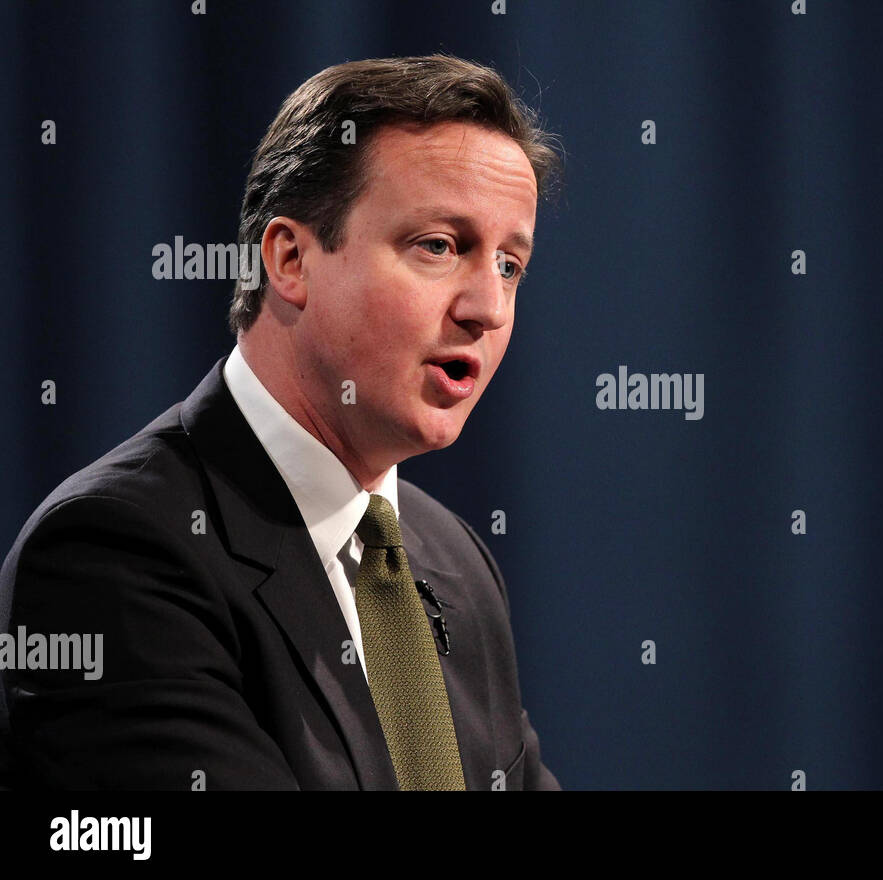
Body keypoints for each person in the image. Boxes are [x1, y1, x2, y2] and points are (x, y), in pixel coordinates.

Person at [0, 55, 562, 790]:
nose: (486, 307)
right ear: (290, 260)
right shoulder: (117, 554)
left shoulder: (456, 564)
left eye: (510, 265)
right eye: (440, 247)